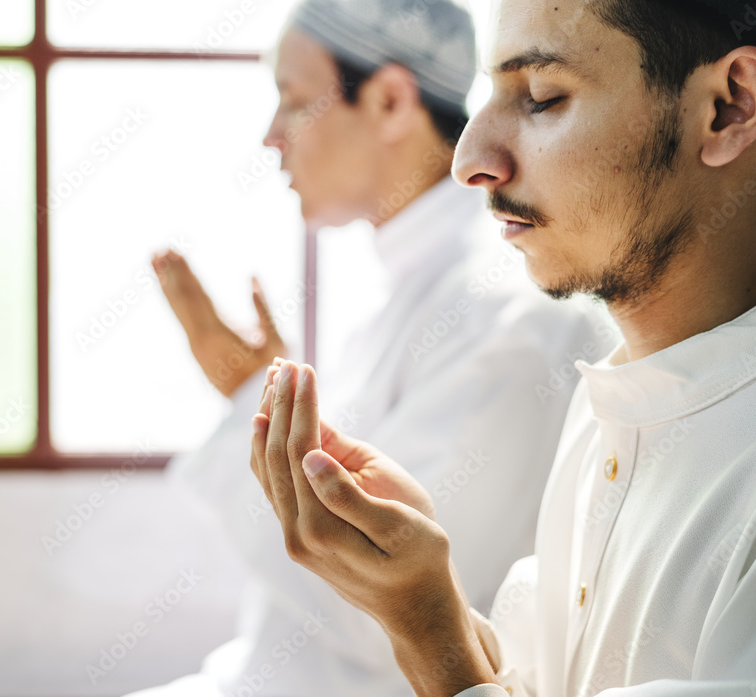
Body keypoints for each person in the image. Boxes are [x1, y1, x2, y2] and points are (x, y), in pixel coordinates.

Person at [250, 0, 756, 696]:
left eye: (541, 98)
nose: (470, 160)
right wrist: (423, 601)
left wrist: (427, 625)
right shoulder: (617, 401)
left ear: (728, 108)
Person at [135, 1, 612, 696]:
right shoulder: (411, 299)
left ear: (390, 100)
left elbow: (387, 619)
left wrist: (249, 399)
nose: (272, 137)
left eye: (295, 102)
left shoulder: (510, 318)